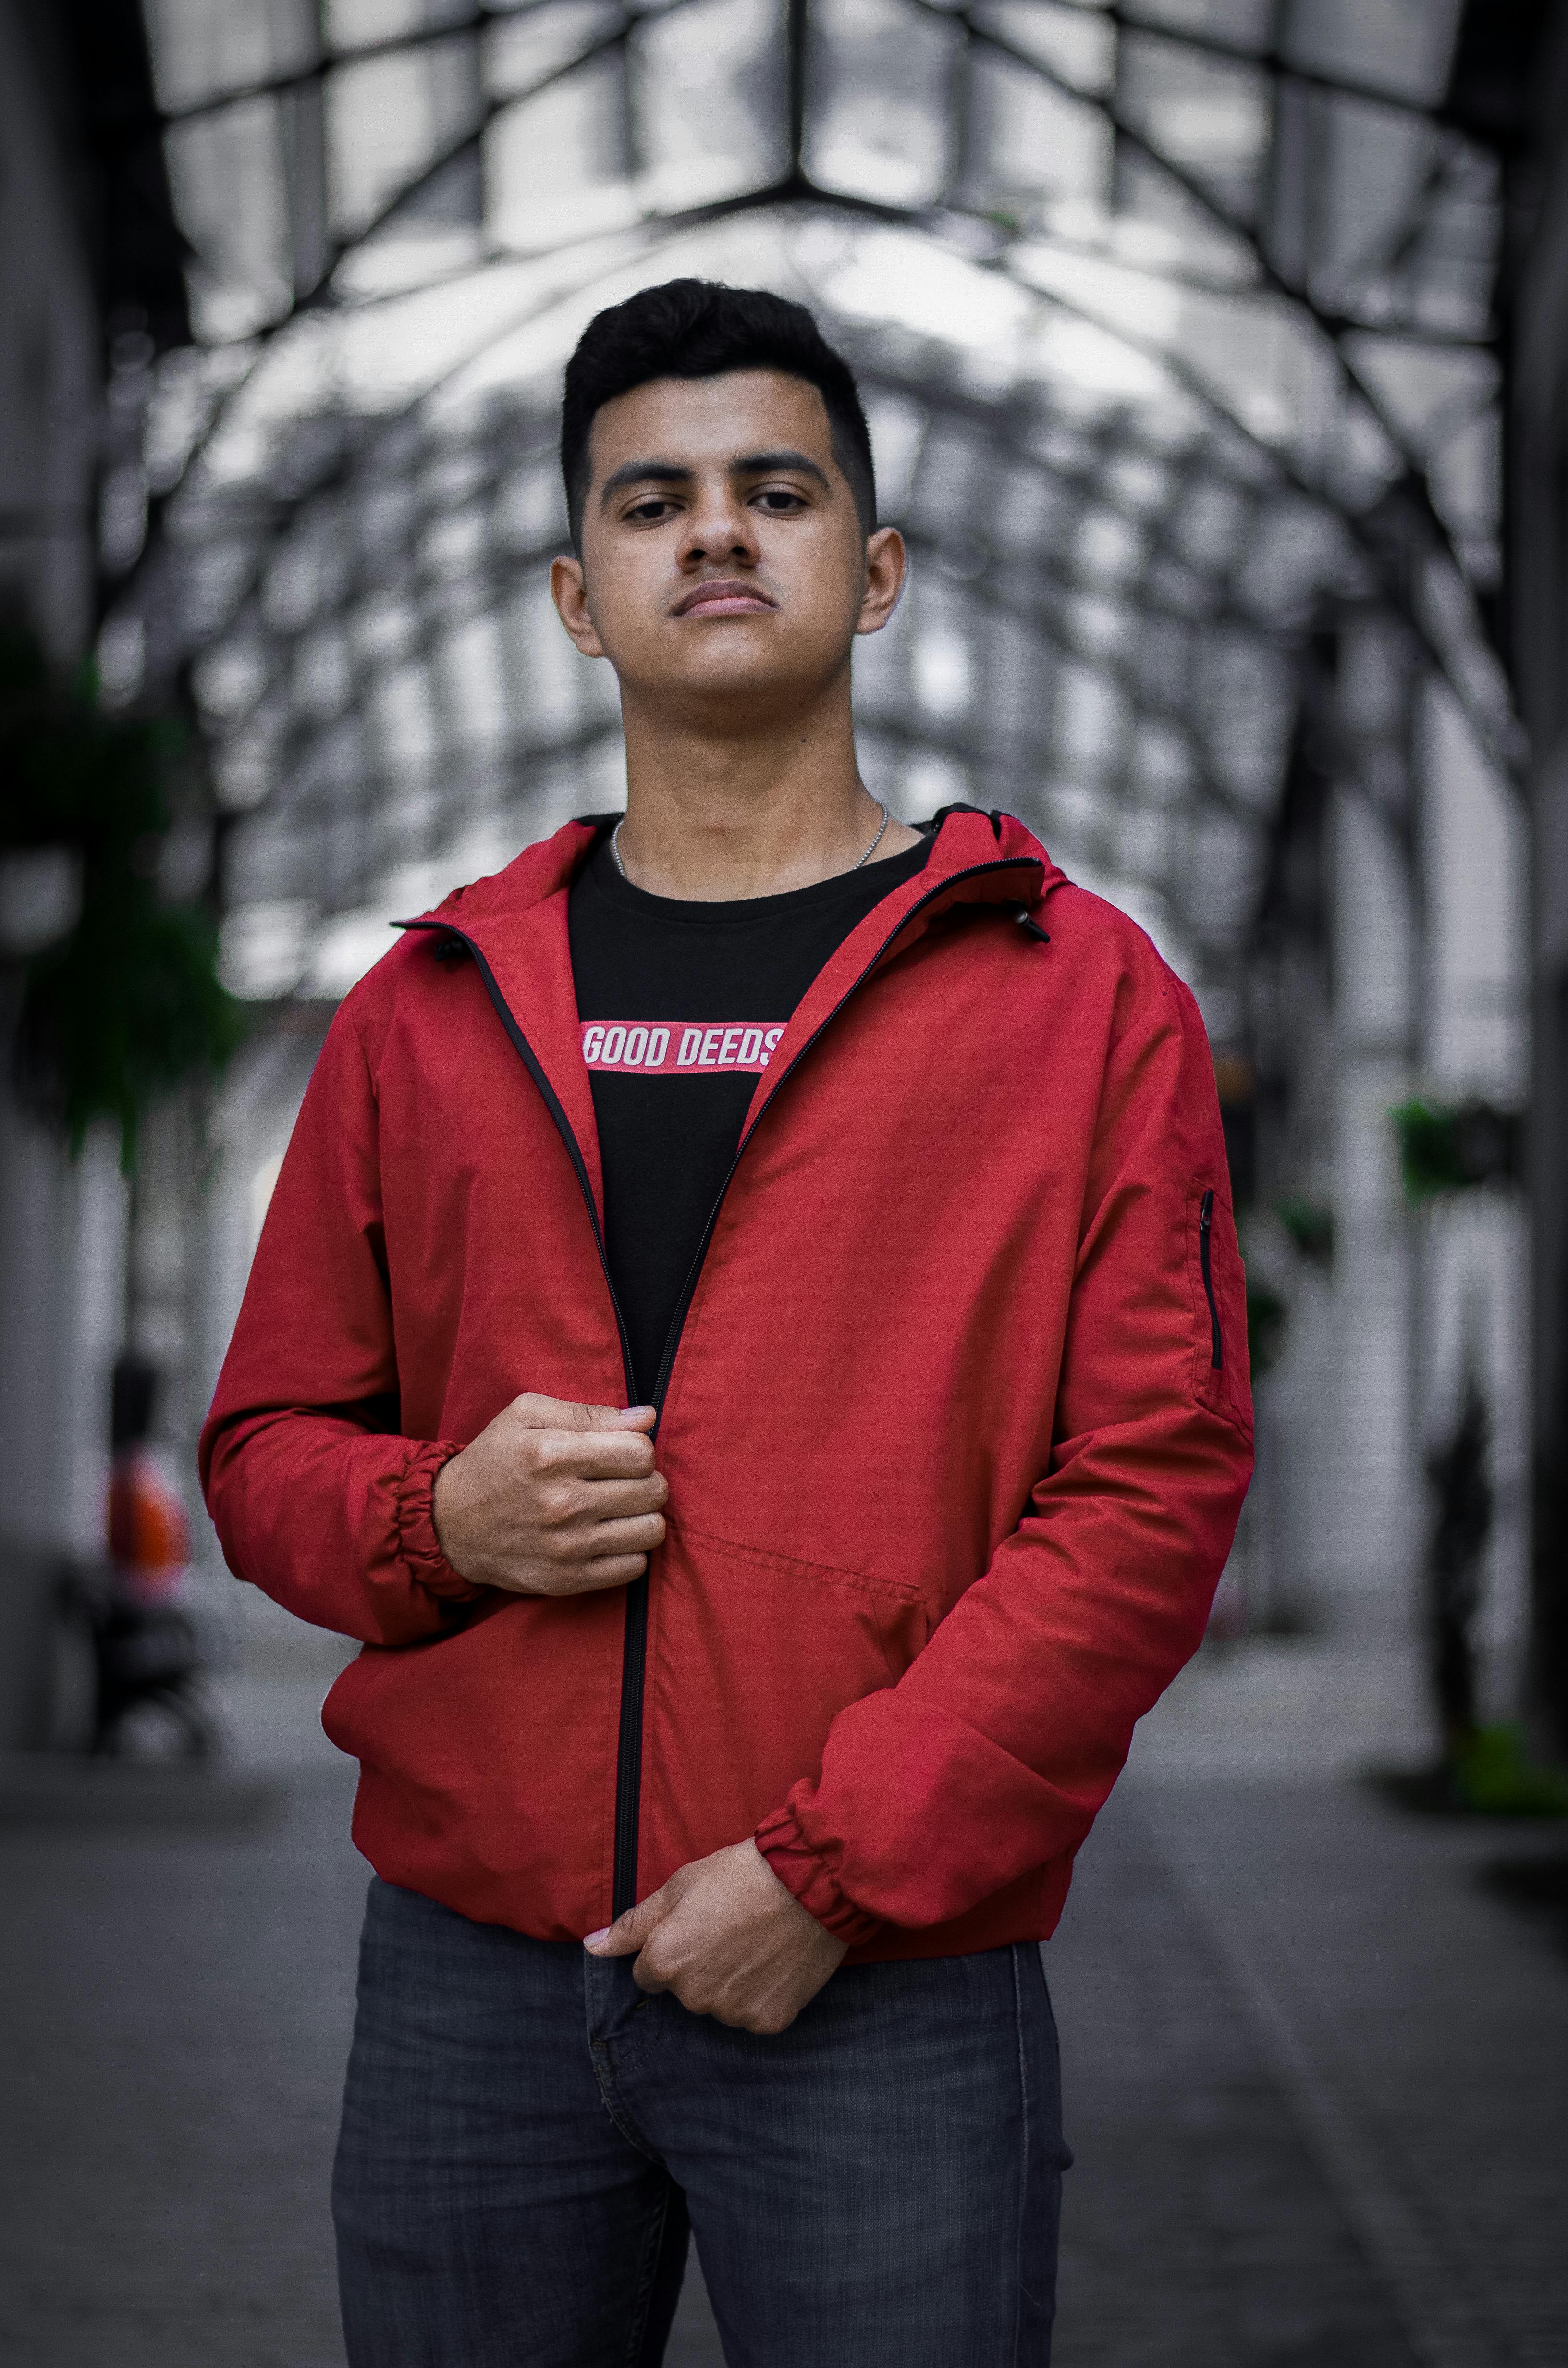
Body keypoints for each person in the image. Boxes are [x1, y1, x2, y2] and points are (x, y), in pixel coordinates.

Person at [200, 278, 1253, 2366]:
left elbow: (1152, 1488)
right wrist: (442, 1518)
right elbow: (267, 1447)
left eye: (776, 490)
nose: (715, 532)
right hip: (469, 1984)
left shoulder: (1077, 997)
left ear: (872, 574)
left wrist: (837, 1869)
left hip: (887, 1977)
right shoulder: (426, 1007)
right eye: (654, 496)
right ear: (577, 595)